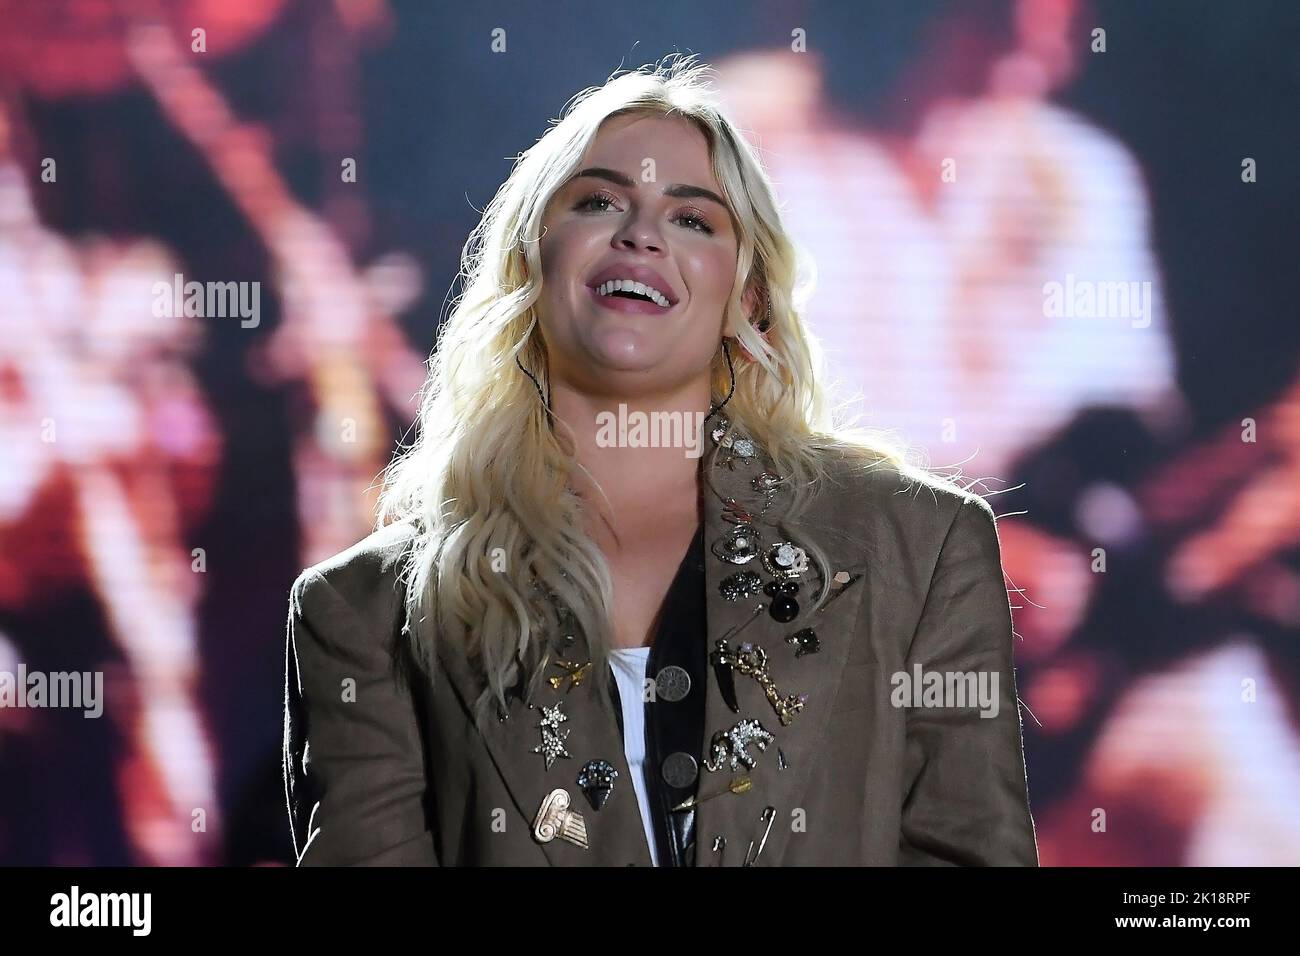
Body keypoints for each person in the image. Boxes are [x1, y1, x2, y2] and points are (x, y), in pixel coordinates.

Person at [281, 55, 1038, 867]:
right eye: (599, 202)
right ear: (530, 263)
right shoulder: (362, 614)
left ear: (747, 297)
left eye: (693, 219)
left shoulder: (917, 548)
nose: (641, 232)